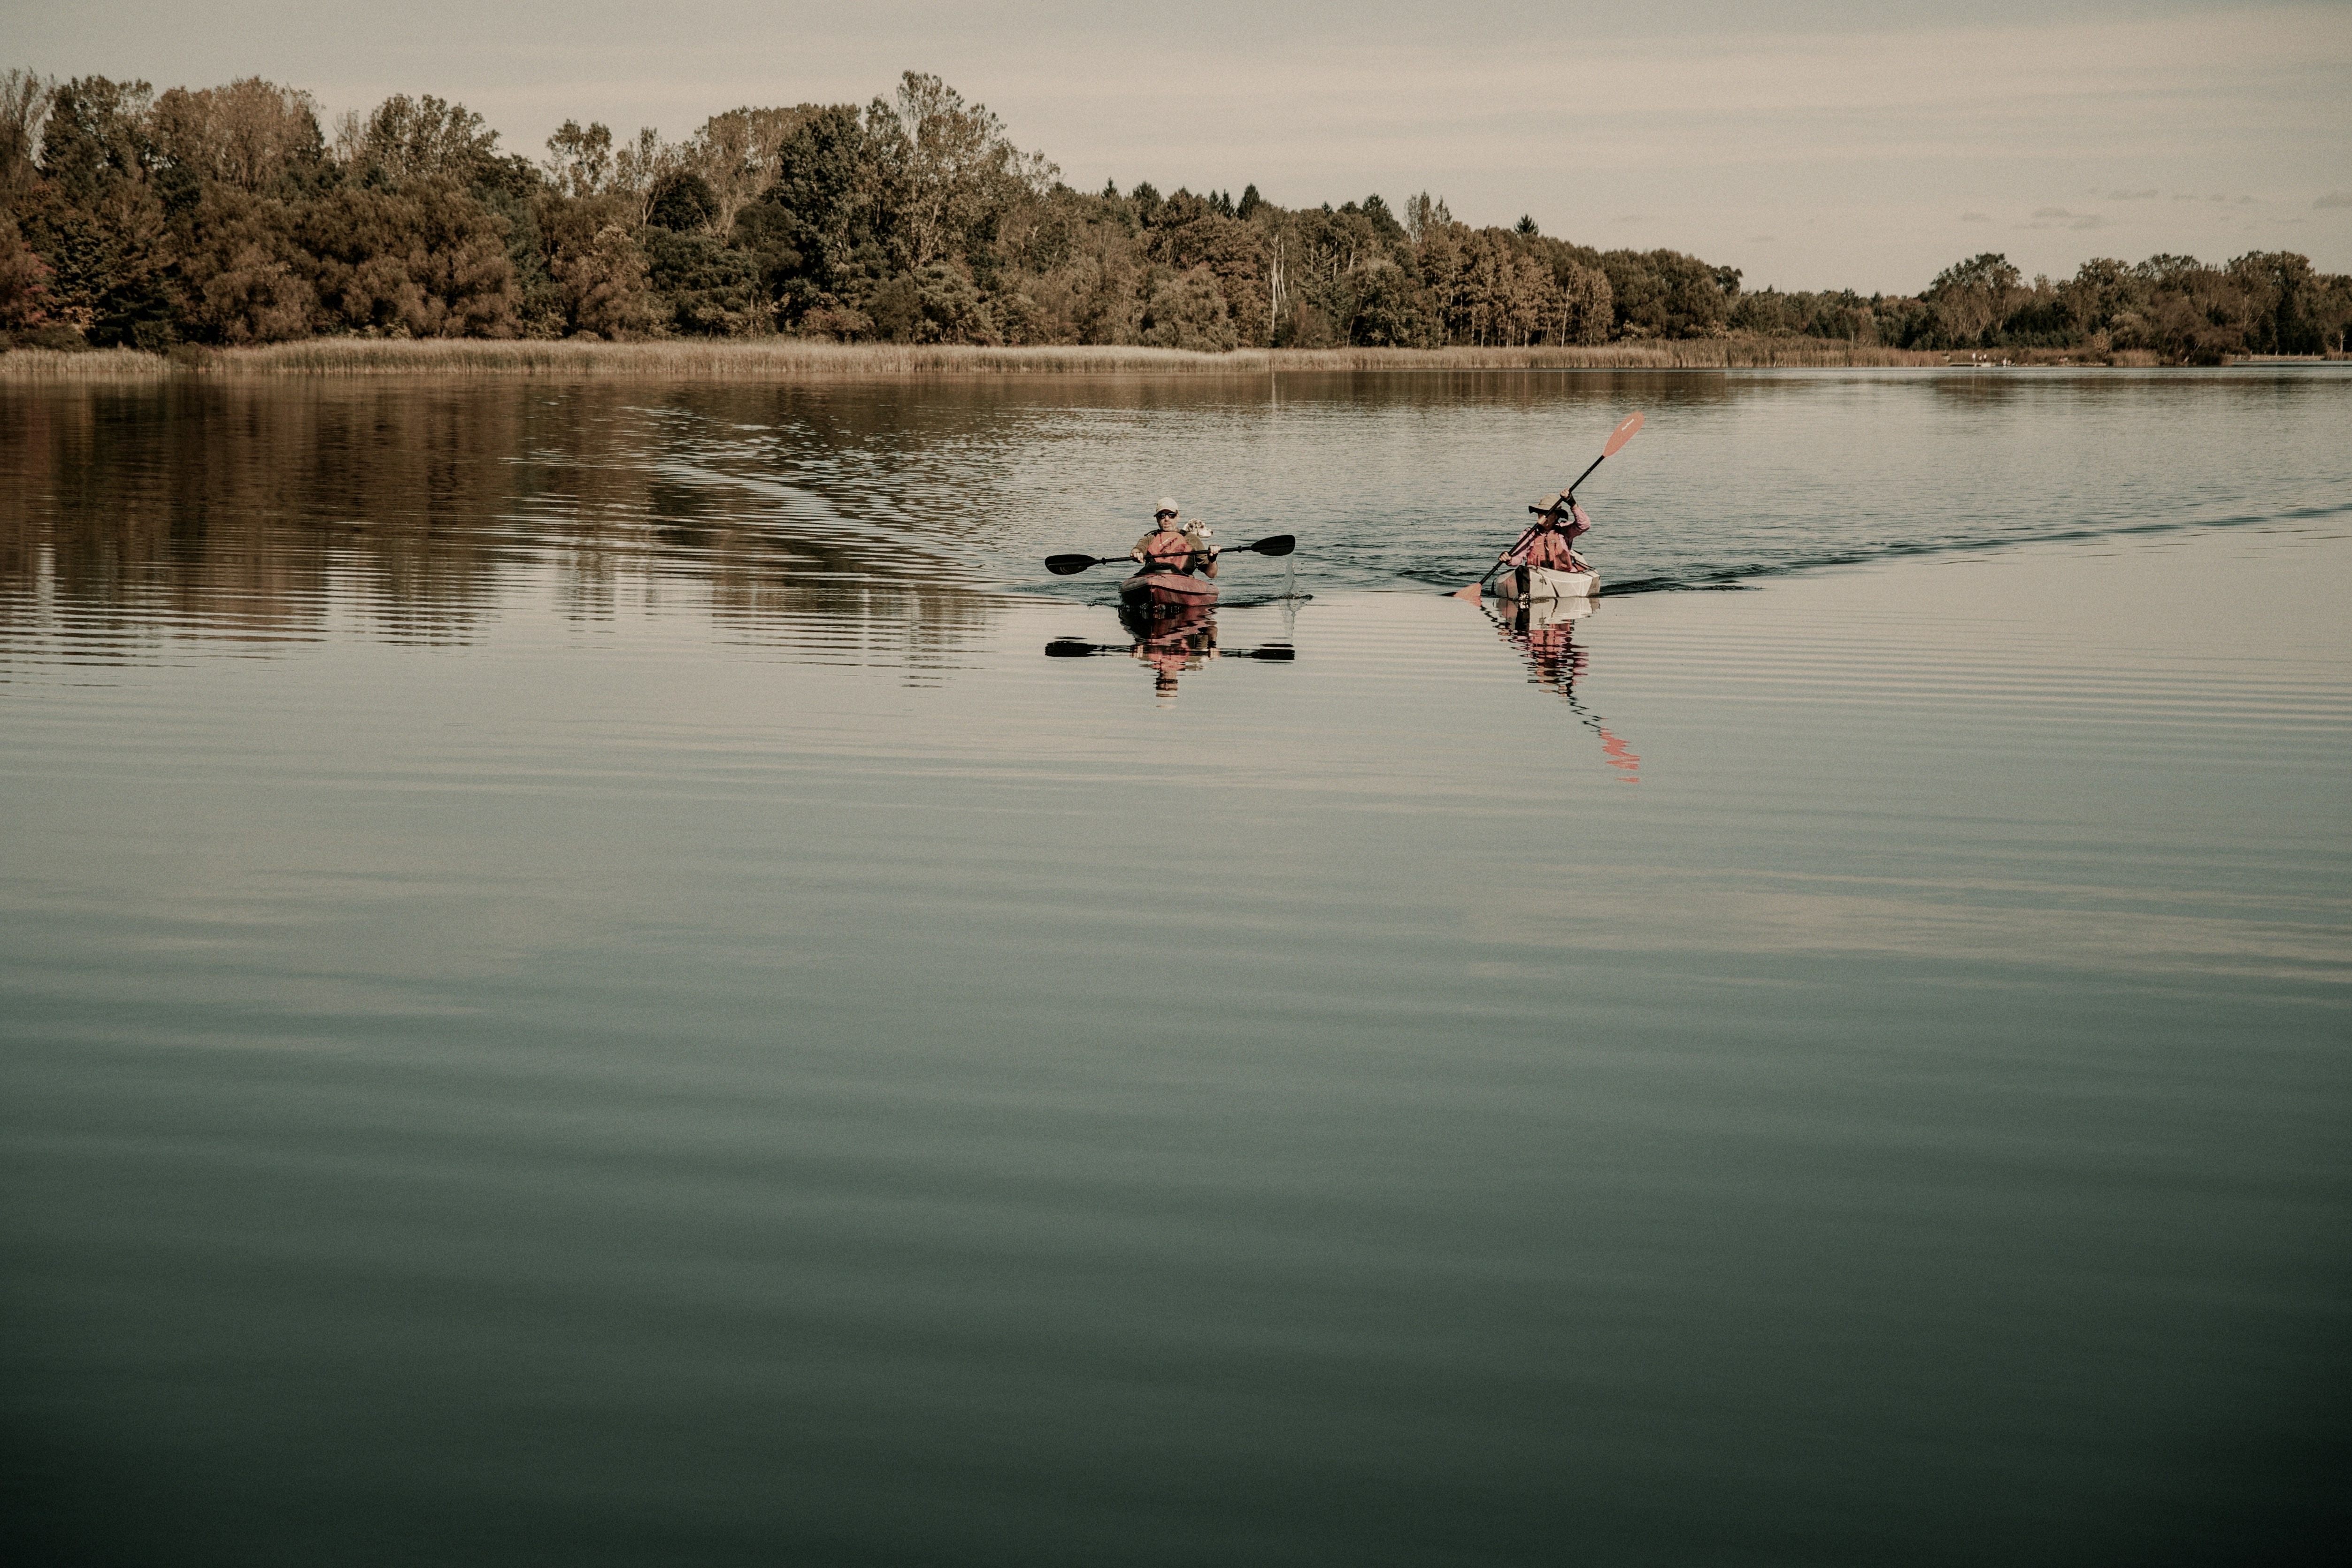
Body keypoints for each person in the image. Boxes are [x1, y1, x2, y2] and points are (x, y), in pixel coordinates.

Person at [1499, 492, 1591, 574]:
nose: (1543, 516)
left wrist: (1572, 503)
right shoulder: (1529, 534)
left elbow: (1584, 525)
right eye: (1541, 512)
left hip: (1563, 575)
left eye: (1548, 513)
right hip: (1538, 576)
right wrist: (1509, 559)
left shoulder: (1565, 530)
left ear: (1556, 516)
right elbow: (1518, 558)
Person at [1130, 499, 1217, 578]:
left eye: (1172, 515)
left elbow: (1212, 574)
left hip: (1183, 582)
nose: (1167, 519)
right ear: (1157, 518)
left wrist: (1213, 559)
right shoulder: (1149, 539)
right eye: (1162, 515)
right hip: (1155, 579)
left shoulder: (1192, 539)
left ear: (1178, 516)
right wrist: (1137, 553)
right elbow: (1139, 548)